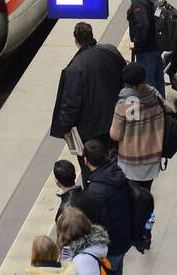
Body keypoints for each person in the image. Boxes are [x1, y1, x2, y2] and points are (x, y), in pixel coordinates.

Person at [50, 23, 126, 173]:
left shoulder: (74, 68)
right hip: (115, 121)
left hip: (90, 131)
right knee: (115, 162)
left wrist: (65, 127)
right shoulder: (111, 51)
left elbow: (71, 103)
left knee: (92, 170)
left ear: (76, 40)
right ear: (92, 35)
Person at [83, 138, 132, 275]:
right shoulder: (116, 174)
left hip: (108, 250)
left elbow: (101, 225)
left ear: (85, 161)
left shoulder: (95, 190)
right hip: (122, 244)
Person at [110, 62, 169, 188]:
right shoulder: (154, 94)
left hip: (130, 163)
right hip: (152, 159)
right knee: (146, 193)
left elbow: (115, 135)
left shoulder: (124, 103)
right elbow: (171, 110)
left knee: (133, 199)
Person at [125, 0, 164, 97]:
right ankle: (162, 110)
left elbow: (143, 25)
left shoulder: (137, 2)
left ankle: (153, 113)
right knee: (159, 81)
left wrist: (136, 44)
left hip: (146, 50)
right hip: (157, 45)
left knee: (149, 84)